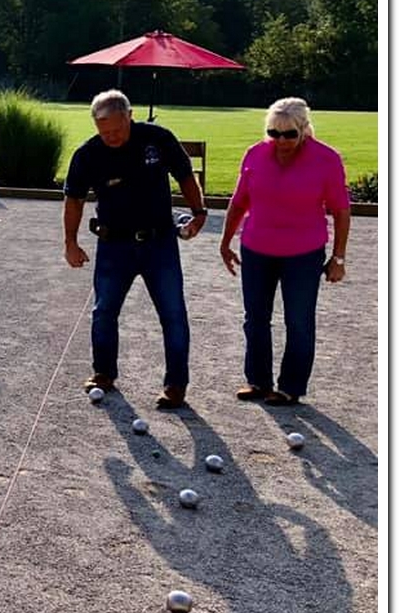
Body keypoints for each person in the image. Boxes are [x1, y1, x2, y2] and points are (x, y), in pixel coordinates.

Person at [62, 90, 208, 410]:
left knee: (172, 313)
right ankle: (103, 372)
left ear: (130, 116)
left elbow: (184, 174)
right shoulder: (88, 154)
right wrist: (71, 242)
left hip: (159, 243)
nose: (111, 137)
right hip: (114, 244)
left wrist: (199, 212)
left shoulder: (158, 139)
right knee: (103, 312)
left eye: (116, 129)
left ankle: (176, 384)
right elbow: (73, 199)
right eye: (104, 132)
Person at [218, 98, 351, 406]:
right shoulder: (255, 154)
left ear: (304, 130)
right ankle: (258, 381)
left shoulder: (326, 159)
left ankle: (290, 386)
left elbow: (341, 211)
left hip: (304, 252)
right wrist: (225, 242)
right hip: (257, 248)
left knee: (299, 320)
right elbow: (239, 202)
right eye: (273, 133)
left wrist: (338, 257)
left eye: (289, 134)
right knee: (255, 318)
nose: (280, 141)